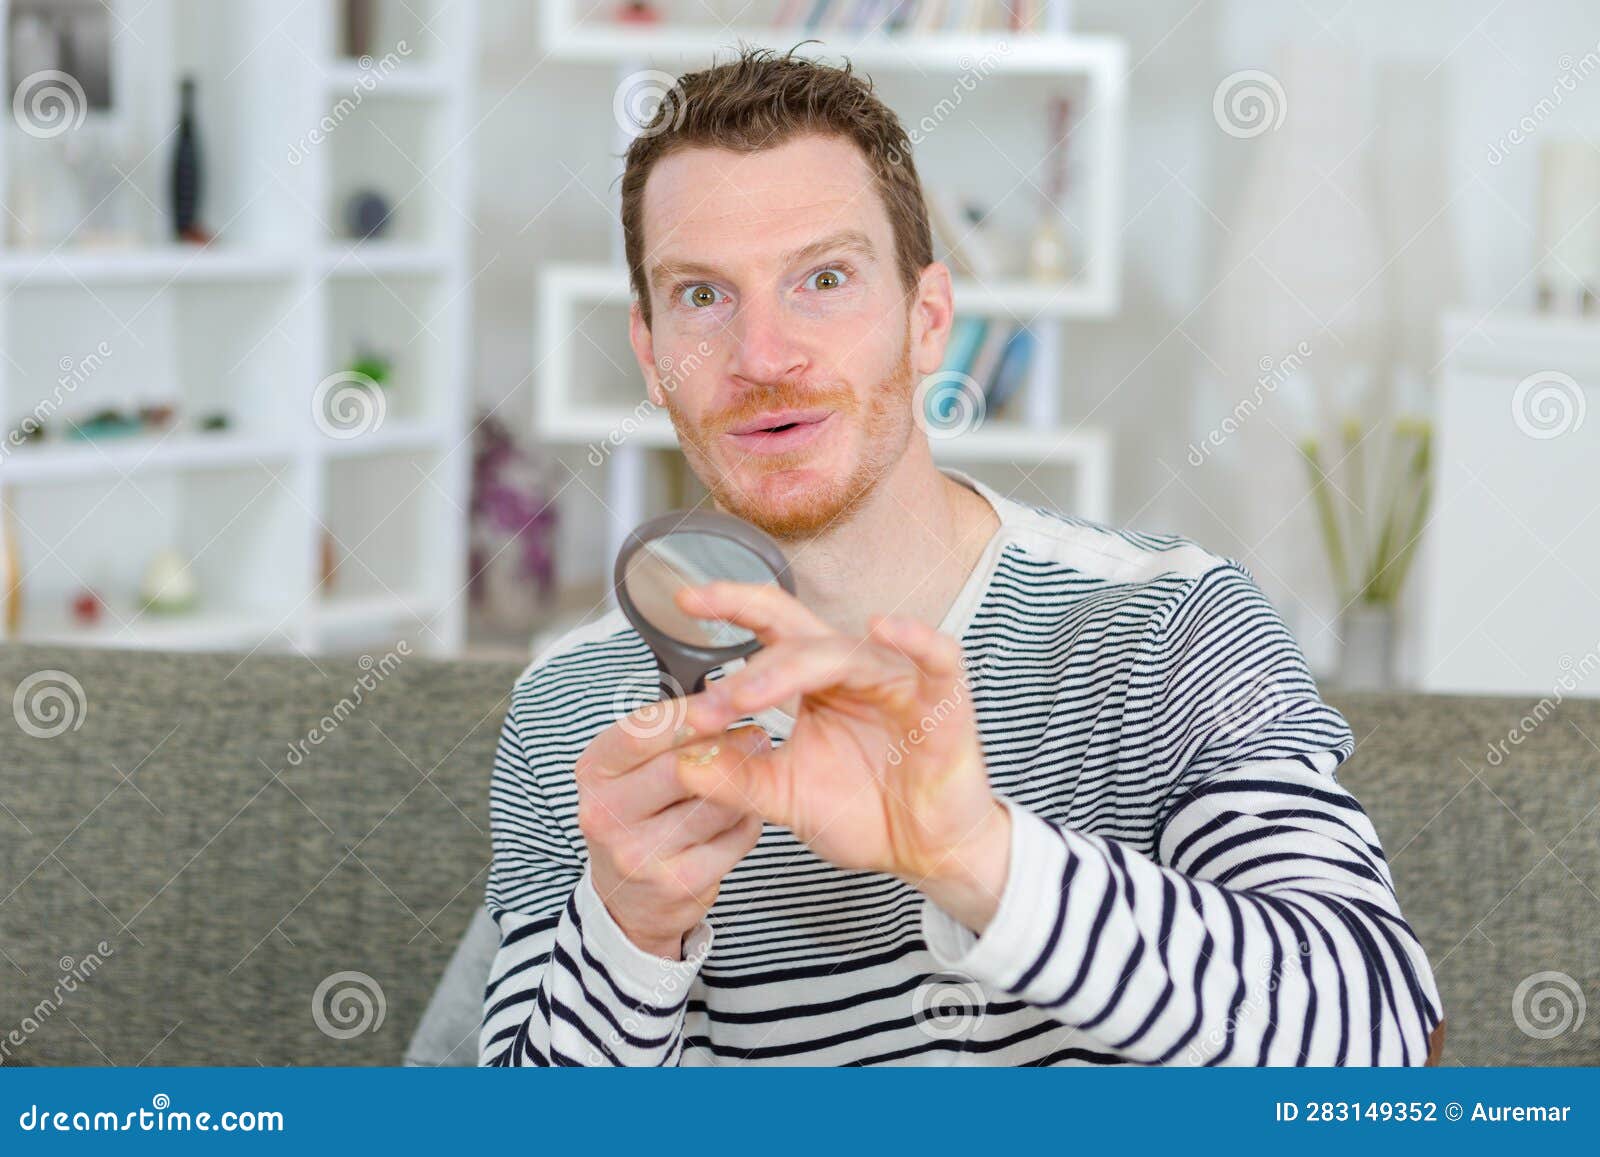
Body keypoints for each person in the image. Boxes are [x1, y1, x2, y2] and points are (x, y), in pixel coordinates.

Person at [479, 47, 1444, 1067]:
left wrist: (977, 852)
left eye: (824, 278)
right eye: (702, 296)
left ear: (926, 318)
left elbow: (1380, 1037)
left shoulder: (1168, 622)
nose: (762, 356)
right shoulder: (568, 708)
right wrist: (629, 929)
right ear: (649, 348)